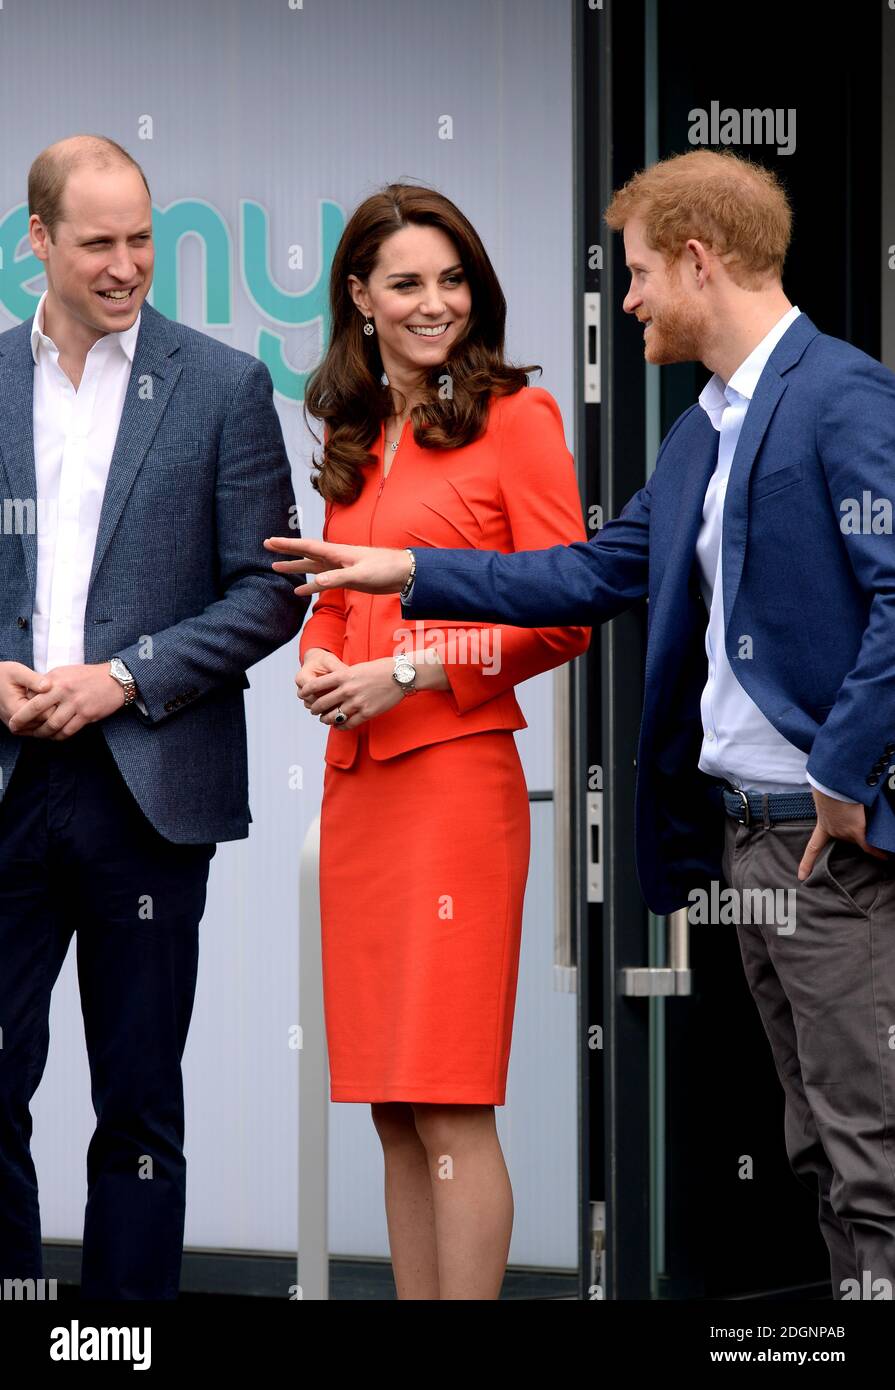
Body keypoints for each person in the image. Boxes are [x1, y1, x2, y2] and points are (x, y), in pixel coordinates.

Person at [267, 150, 895, 1299]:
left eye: (642, 273)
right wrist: (402, 572)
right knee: (820, 1142)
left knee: (867, 1152)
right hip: (743, 831)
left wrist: (847, 769)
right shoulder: (701, 428)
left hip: (814, 829)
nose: (630, 298)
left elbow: (894, 590)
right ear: (357, 296)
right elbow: (590, 571)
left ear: (699, 263)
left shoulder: (839, 394)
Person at [265, 182, 589, 1300]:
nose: (434, 303)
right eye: (405, 282)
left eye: (452, 280)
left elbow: (562, 611)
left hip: (454, 791)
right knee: (394, 1104)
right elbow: (335, 596)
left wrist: (405, 669)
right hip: (360, 801)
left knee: (450, 1097)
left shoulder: (517, 420)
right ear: (359, 298)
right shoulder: (360, 433)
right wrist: (319, 653)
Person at [0, 135, 305, 1299]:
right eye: (99, 243)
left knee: (135, 1102)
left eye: (143, 239)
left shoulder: (223, 385)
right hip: (10, 782)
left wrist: (122, 676)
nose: (128, 265)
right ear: (39, 241)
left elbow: (270, 588)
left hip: (145, 787)